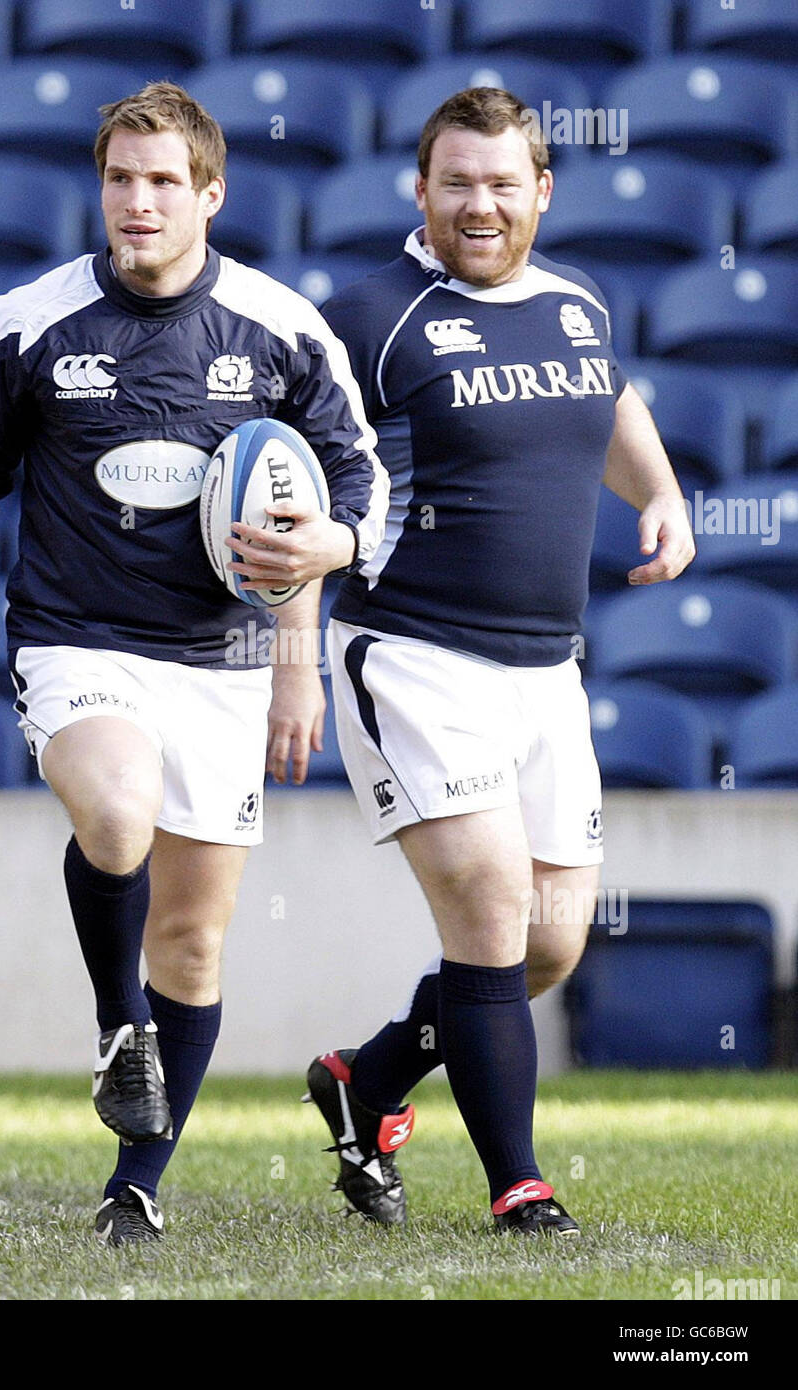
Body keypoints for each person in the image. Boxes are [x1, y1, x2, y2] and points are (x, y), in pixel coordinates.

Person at [0, 81, 388, 1246]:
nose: (140, 201)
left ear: (211, 193)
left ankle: (136, 1187)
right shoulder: (29, 323)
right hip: (78, 642)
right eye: (121, 178)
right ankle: (120, 1026)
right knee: (117, 816)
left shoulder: (279, 328)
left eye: (166, 181)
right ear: (100, 186)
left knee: (196, 940)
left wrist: (328, 568)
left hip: (223, 660)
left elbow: (359, 483)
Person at [304, 88, 695, 1236]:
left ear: (541, 191)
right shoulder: (366, 317)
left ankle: (366, 1080)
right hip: (413, 653)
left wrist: (663, 493)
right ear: (419, 191)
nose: (481, 204)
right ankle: (518, 1186)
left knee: (548, 943)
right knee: (486, 912)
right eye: (456, 182)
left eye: (501, 182)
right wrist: (290, 641)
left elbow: (609, 399)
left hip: (545, 670)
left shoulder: (576, 304)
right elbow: (284, 481)